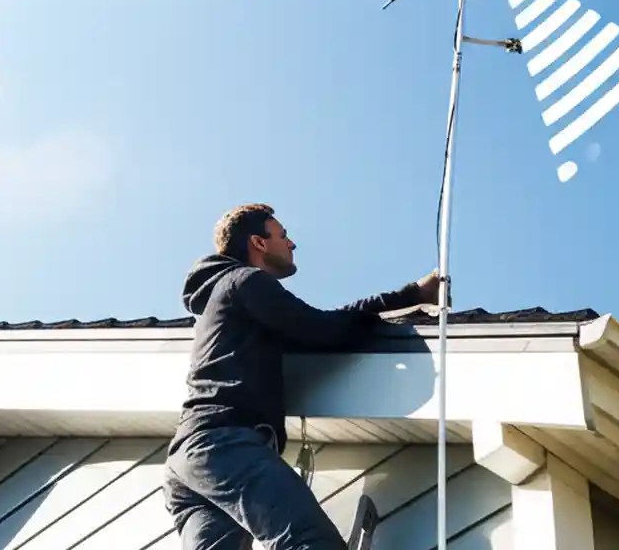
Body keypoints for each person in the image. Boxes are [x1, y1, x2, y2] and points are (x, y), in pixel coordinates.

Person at [163, 203, 440, 549]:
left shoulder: (226, 299)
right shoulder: (246, 281)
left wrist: (411, 294)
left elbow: (318, 319)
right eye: (283, 235)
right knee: (308, 542)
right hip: (224, 447)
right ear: (258, 243)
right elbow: (320, 328)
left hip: (187, 462)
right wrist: (391, 312)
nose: (292, 243)